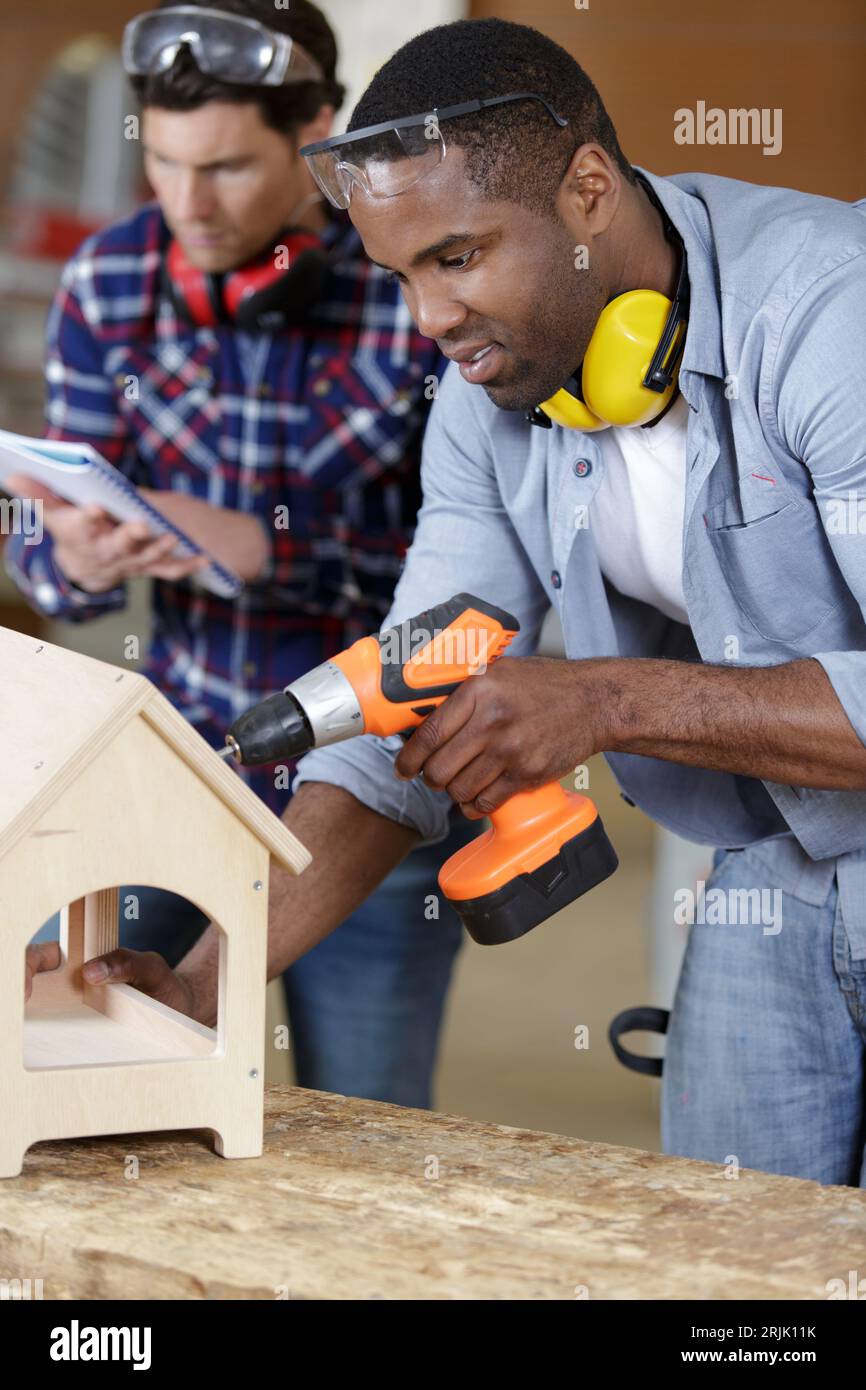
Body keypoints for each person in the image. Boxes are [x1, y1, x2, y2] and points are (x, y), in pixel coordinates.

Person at [30, 17, 866, 1185]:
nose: (426, 319)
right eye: (400, 276)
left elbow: (608, 698)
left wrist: (602, 699)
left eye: (458, 258)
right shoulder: (488, 397)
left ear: (586, 191)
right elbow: (406, 692)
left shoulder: (827, 318)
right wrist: (201, 991)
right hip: (771, 861)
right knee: (740, 1248)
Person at [11, 0, 476, 1111]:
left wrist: (269, 550)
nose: (187, 203)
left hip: (381, 787)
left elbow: (478, 591)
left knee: (362, 1120)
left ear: (317, 134)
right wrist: (72, 559)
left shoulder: (413, 287)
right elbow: (42, 565)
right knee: (85, 1073)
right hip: (175, 771)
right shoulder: (110, 281)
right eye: (165, 164)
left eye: (223, 168)